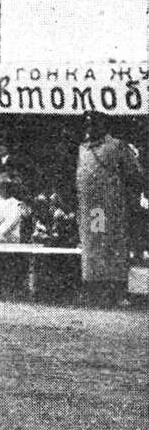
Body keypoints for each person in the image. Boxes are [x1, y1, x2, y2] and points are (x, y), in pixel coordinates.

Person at [76, 113, 144, 306]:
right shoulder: (83, 149)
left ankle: (117, 291)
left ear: (103, 125)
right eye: (87, 124)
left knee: (111, 247)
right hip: (90, 208)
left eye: (94, 124)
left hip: (110, 207)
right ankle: (93, 290)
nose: (89, 128)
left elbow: (134, 173)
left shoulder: (116, 146)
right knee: (92, 247)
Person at [0, 172, 29, 243]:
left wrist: (0, 232)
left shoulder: (15, 203)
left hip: (10, 237)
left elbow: (11, 221)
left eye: (2, 187)